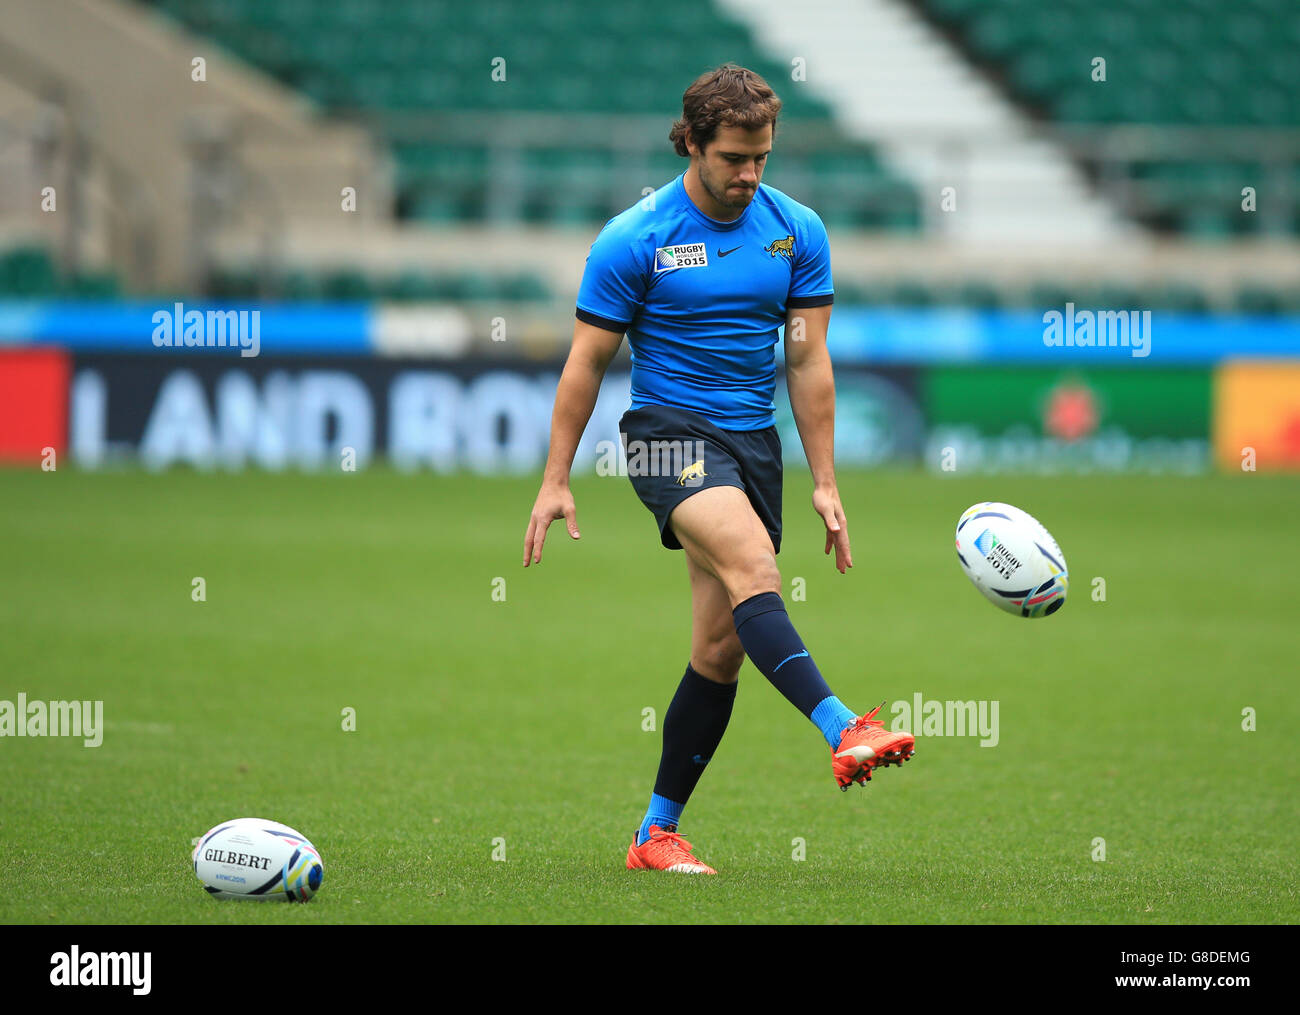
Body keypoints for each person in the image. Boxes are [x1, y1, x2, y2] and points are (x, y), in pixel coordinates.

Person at [523, 64, 914, 875]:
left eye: (761, 157)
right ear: (693, 142)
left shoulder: (795, 229)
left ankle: (654, 834)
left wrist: (826, 478)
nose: (748, 174)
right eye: (733, 156)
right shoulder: (636, 236)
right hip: (665, 435)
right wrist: (556, 477)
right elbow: (586, 362)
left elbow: (807, 364)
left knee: (719, 647)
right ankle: (845, 725)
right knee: (754, 565)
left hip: (752, 446)